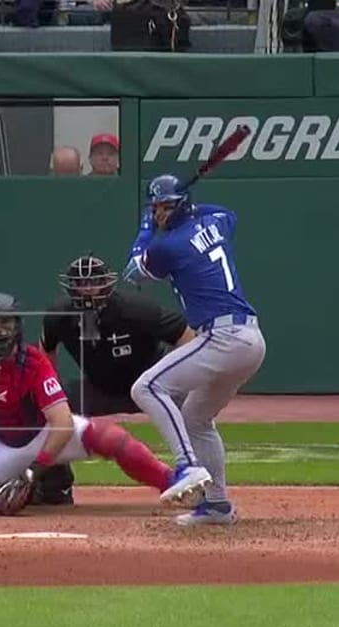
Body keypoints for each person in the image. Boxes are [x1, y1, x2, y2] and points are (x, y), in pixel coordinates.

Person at [0, 293, 179, 516]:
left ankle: (174, 483)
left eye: (5, 323)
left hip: (47, 434)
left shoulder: (35, 362)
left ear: (17, 327)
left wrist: (32, 472)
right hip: (0, 443)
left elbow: (62, 423)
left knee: (112, 438)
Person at [123, 175, 267, 526]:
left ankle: (187, 464)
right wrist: (180, 205)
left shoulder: (167, 246)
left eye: (163, 207)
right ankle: (217, 505)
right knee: (196, 418)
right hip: (250, 339)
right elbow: (226, 213)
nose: (158, 214)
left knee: (146, 387)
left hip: (223, 338)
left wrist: (145, 227)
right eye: (155, 208)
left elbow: (131, 270)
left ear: (179, 206)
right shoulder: (215, 221)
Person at [32, 253, 194, 506]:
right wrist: (52, 393)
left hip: (150, 385)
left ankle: (198, 479)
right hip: (99, 388)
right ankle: (54, 488)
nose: (87, 290)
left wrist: (173, 380)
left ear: (107, 284)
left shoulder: (135, 309)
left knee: (195, 411)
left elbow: (186, 336)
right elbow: (45, 353)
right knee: (44, 411)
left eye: (93, 282)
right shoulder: (59, 314)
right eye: (80, 283)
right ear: (70, 286)